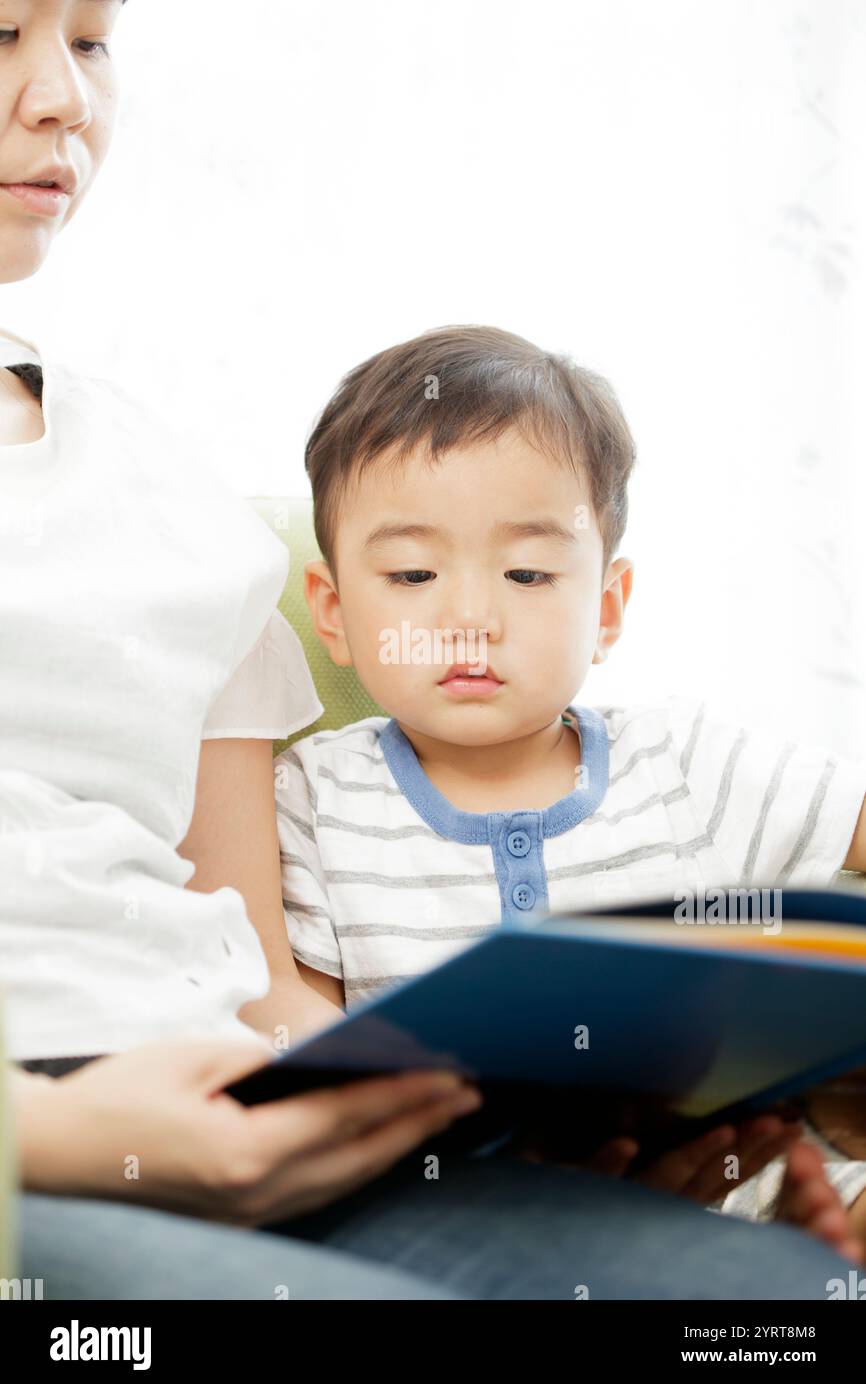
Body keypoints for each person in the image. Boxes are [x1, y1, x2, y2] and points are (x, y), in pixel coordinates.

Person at [1, 1, 863, 1300]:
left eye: (91, 39)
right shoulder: (327, 765)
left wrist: (475, 1132)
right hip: (67, 1125)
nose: (65, 96)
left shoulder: (173, 507)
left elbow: (260, 973)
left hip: (248, 1103)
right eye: (3, 32)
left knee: (778, 1300)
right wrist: (61, 1130)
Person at [275, 322, 866, 1251]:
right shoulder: (312, 800)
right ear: (335, 612)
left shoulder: (684, 763)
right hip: (464, 1217)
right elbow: (300, 1044)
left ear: (606, 608)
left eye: (527, 572)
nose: (471, 616)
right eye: (413, 573)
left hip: (742, 1197)